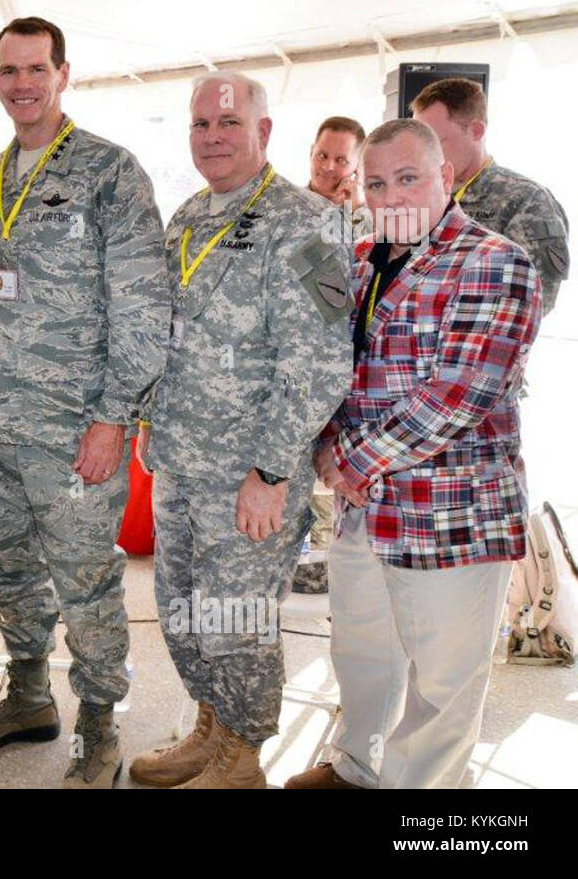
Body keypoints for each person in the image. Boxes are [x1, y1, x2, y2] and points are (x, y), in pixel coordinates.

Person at [0, 17, 170, 789]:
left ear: (63, 74)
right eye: (8, 70)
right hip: (2, 424)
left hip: (77, 431)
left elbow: (142, 307)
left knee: (87, 583)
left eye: (36, 68)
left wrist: (114, 417)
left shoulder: (111, 170)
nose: (22, 84)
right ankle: (31, 696)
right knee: (4, 569)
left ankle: (100, 724)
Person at [287, 118, 540, 789]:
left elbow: (458, 394)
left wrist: (354, 462)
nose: (390, 194)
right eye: (375, 182)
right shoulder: (359, 257)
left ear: (445, 178)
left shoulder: (496, 260)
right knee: (363, 653)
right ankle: (357, 767)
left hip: (448, 514)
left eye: (408, 178)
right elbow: (325, 362)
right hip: (361, 509)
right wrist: (328, 447)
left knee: (443, 685)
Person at [129, 72, 353, 789]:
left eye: (228, 124)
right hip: (181, 461)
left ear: (263, 132)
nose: (212, 137)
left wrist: (272, 472)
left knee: (236, 618)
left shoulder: (306, 222)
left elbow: (321, 360)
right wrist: (151, 416)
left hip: (249, 474)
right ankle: (209, 727)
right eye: (200, 125)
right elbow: (169, 331)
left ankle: (241, 757)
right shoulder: (190, 214)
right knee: (184, 611)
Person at [412, 77, 568, 316]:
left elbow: (531, 302)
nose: (424, 154)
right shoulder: (420, 195)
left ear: (476, 130)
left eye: (434, 141)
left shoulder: (526, 200)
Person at [299, 115, 370, 594]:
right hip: (296, 375)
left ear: (358, 166)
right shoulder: (289, 210)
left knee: (339, 482)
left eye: (340, 159)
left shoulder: (376, 222)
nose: (328, 168)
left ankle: (332, 566)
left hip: (352, 381)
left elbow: (352, 303)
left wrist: (345, 221)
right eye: (321, 155)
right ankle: (303, 559)